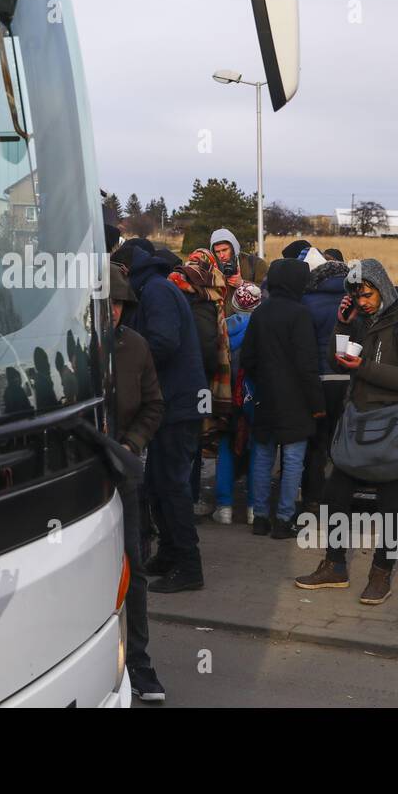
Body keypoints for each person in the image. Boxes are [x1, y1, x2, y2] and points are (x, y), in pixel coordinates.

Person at [295, 258, 398, 606]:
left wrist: (366, 368)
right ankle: (335, 564)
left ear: (381, 288)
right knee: (335, 494)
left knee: (391, 506)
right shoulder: (361, 321)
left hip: (395, 426)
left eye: (367, 295)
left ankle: (381, 573)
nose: (363, 302)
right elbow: (334, 360)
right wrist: (342, 325)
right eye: (357, 297)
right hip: (358, 421)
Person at [114, 242, 208, 593]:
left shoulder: (156, 291)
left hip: (177, 403)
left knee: (172, 486)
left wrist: (129, 365)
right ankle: (170, 553)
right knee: (158, 483)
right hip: (174, 401)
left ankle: (189, 565)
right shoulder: (155, 288)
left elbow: (163, 342)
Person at [109, 265, 166, 701]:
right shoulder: (68, 347)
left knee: (134, 565)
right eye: (103, 302)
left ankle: (139, 663)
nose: (111, 311)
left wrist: (131, 444)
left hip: (124, 472)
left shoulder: (136, 347)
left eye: (117, 304)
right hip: (77, 477)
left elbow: (152, 406)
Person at [241, 259, 324, 537]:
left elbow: (248, 358)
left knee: (263, 458)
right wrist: (317, 403)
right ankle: (285, 519)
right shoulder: (300, 314)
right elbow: (307, 363)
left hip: (265, 397)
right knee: (292, 461)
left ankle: (261, 517)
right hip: (296, 400)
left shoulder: (260, 312)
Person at [169, 249, 232, 512]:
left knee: (176, 441)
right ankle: (189, 499)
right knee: (192, 440)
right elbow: (210, 346)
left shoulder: (175, 292)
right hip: (200, 380)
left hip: (175, 378)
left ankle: (178, 500)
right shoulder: (212, 298)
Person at [302, 258, 351, 510]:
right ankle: (338, 500)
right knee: (341, 443)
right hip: (347, 378)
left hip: (318, 379)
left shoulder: (307, 301)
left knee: (316, 443)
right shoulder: (351, 301)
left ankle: (312, 497)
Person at [213, 281, 262, 524]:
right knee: (256, 451)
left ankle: (224, 508)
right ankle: (254, 508)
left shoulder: (223, 329)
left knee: (225, 449)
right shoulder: (262, 330)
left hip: (226, 397)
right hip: (253, 399)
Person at [210, 228, 268, 312]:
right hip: (222, 322)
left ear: (234, 248)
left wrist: (243, 284)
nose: (221, 255)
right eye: (217, 252)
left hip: (250, 320)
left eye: (225, 250)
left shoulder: (256, 264)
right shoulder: (211, 268)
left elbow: (267, 292)